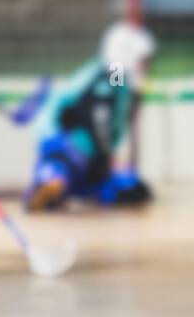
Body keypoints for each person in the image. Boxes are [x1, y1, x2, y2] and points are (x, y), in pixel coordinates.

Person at [18, 21, 156, 212]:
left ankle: (58, 187)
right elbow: (101, 115)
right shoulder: (113, 73)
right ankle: (50, 181)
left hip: (88, 158)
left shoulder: (115, 75)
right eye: (143, 60)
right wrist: (107, 156)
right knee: (63, 167)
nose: (146, 67)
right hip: (66, 143)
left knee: (134, 189)